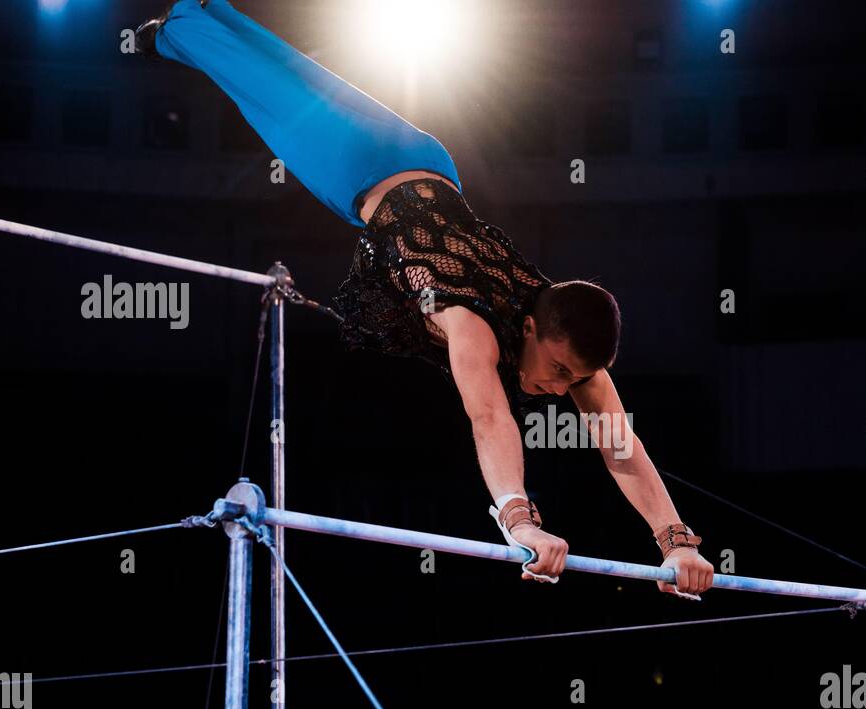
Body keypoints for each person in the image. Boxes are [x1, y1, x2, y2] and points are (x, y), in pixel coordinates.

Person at [136, 1, 714, 597]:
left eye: (575, 378)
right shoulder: (473, 326)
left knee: (300, 78)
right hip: (358, 169)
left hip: (428, 160)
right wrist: (521, 522)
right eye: (560, 369)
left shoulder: (571, 347)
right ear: (534, 330)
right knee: (267, 91)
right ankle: (177, 31)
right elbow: (490, 417)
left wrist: (676, 539)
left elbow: (623, 447)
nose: (561, 388)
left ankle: (208, 13)